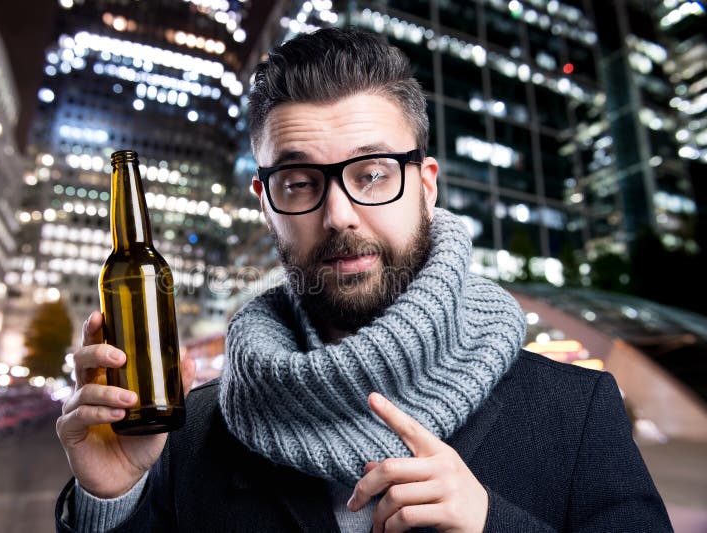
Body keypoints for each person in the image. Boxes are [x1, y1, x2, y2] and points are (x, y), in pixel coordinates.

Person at [55, 28, 672, 532]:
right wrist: (111, 500)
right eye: (300, 183)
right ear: (266, 203)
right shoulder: (193, 434)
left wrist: (492, 524)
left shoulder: (576, 408)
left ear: (426, 186)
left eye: (373, 174)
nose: (339, 214)